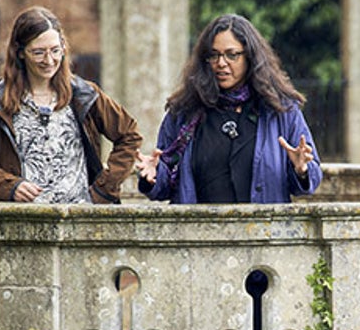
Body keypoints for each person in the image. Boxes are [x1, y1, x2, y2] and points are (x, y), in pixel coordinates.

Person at [0, 6, 141, 204]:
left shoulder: (84, 94)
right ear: (20, 53)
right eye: (38, 53)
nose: (49, 60)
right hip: (20, 223)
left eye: (55, 50)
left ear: (63, 47)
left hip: (80, 220)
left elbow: (129, 134)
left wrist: (105, 188)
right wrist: (10, 187)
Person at [135, 13, 321, 204]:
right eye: (214, 55)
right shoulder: (184, 112)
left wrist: (301, 170)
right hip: (198, 232)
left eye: (232, 55)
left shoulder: (280, 110)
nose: (221, 63)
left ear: (250, 57)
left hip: (263, 232)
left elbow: (310, 181)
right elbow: (164, 185)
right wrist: (153, 176)